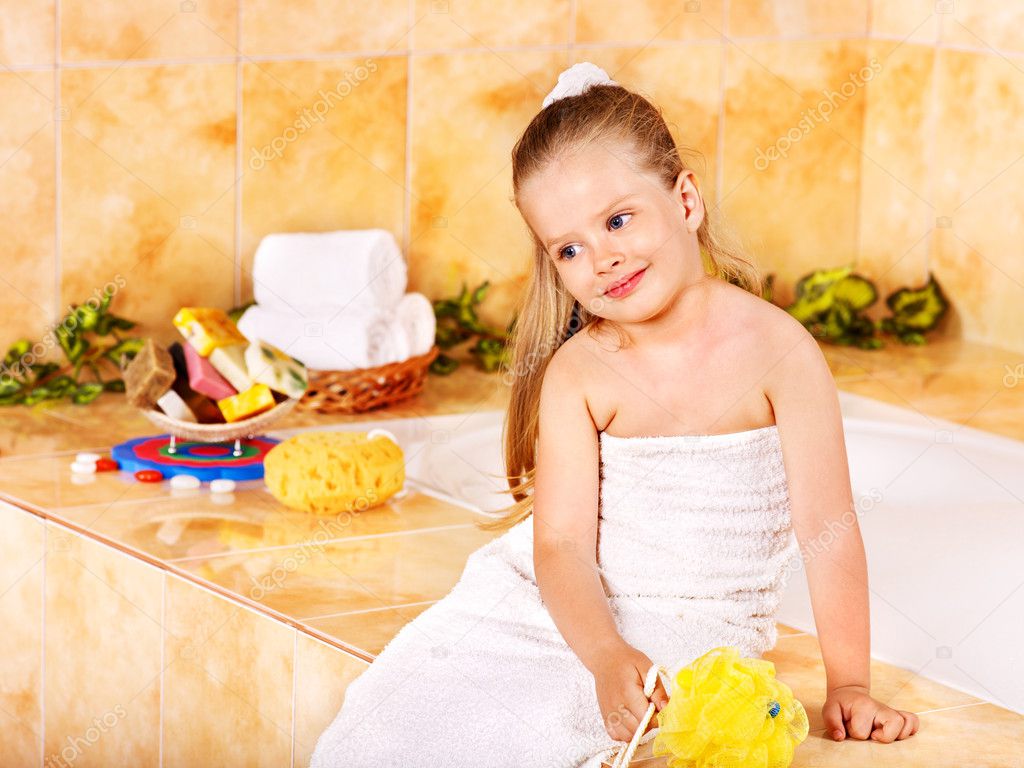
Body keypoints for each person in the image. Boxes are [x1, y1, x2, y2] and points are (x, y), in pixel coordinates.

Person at [310, 62, 919, 768]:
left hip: (698, 620)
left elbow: (827, 532)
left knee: (586, 729)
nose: (602, 257)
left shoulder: (780, 353)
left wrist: (850, 682)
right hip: (568, 612)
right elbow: (562, 547)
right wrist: (603, 654)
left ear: (685, 200)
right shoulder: (581, 373)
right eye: (569, 248)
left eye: (618, 219)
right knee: (404, 714)